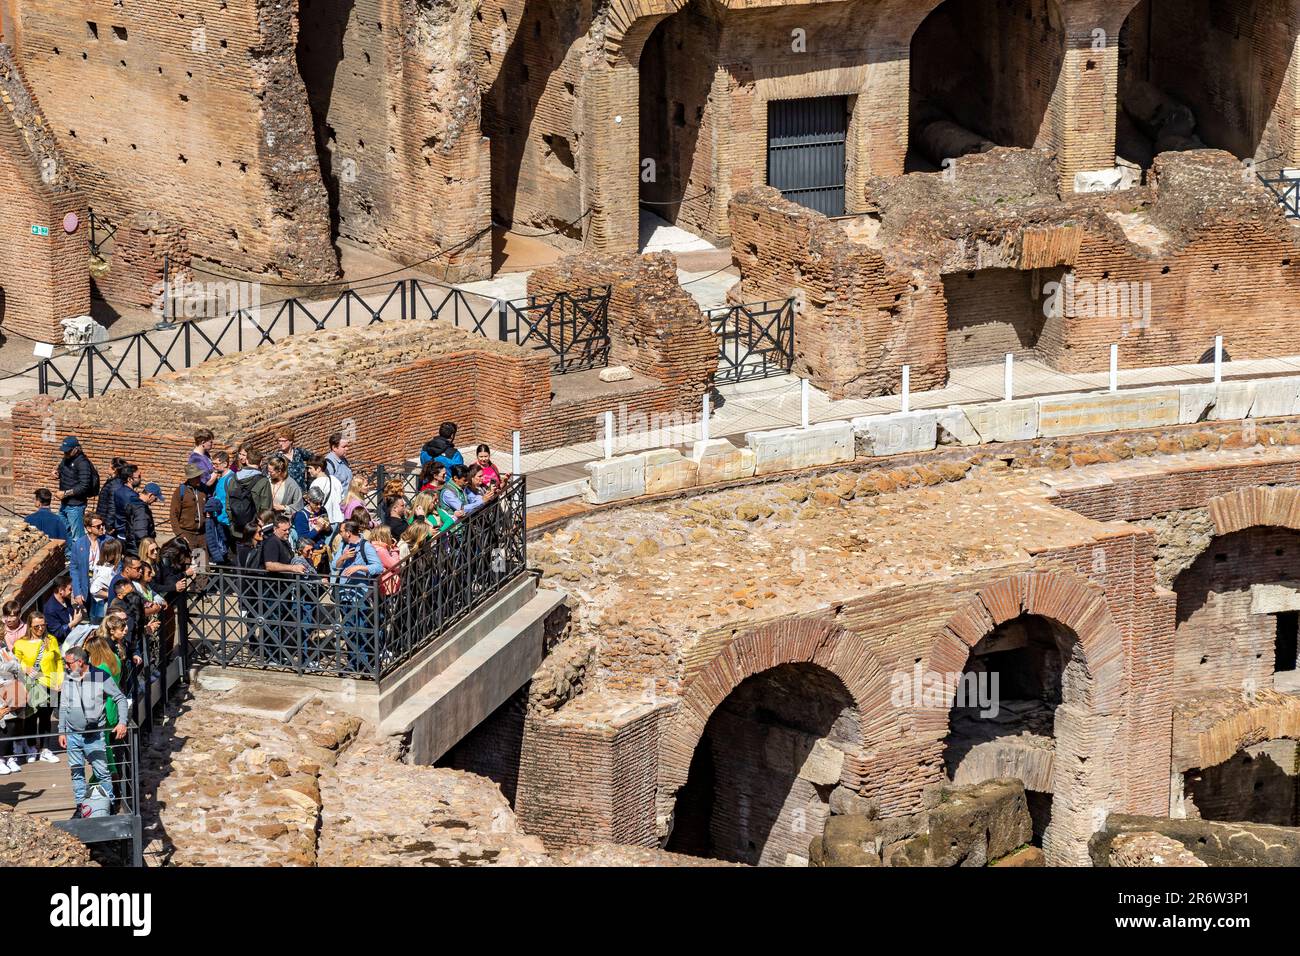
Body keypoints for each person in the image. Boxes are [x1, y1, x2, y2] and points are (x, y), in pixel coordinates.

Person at [59, 646, 129, 818]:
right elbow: (63, 705)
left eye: (68, 663)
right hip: (72, 734)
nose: (66, 667)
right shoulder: (69, 676)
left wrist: (122, 722)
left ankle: (110, 806)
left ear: (80, 662)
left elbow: (120, 698)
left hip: (94, 735)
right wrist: (61, 731)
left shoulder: (100, 676)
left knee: (102, 772)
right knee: (76, 773)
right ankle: (80, 807)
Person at [331, 520, 382, 673]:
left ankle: (366, 663)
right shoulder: (343, 545)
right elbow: (334, 566)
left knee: (362, 628)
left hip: (360, 594)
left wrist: (359, 567)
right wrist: (343, 557)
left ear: (348, 532)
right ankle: (353, 663)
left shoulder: (365, 546)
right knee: (348, 630)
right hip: (344, 593)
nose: (339, 533)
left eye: (341, 531)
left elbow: (378, 566)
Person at [13, 610, 62, 763]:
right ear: (29, 626)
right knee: (31, 717)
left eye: (43, 625)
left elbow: (58, 661)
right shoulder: (20, 643)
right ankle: (31, 747)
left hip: (50, 682)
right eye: (36, 627)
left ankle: (46, 749)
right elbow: (12, 664)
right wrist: (24, 667)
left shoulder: (51, 640)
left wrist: (59, 679)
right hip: (31, 684)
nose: (40, 629)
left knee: (46, 717)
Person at [54, 436, 99, 542]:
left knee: (77, 537)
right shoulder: (66, 458)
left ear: (76, 449)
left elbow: (84, 486)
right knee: (64, 532)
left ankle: (79, 558)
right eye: (64, 452)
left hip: (76, 506)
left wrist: (65, 493)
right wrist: (57, 473)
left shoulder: (83, 463)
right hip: (65, 504)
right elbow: (63, 470)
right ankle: (69, 556)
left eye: (68, 451)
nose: (65, 454)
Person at [68, 512, 106, 615]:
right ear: (89, 529)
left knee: (100, 616)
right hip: (87, 587)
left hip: (103, 588)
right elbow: (74, 569)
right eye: (98, 526)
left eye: (103, 525)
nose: (102, 528)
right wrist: (77, 592)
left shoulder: (108, 542)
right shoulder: (79, 544)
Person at [170, 462, 209, 552]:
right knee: (190, 564)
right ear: (190, 478)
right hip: (187, 535)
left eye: (199, 476)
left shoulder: (203, 489)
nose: (199, 479)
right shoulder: (180, 491)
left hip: (202, 535)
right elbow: (173, 515)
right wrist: (180, 535)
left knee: (202, 565)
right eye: (196, 477)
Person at [89, 538, 123, 624]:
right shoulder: (107, 571)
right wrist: (110, 594)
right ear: (112, 555)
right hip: (101, 605)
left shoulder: (98, 564)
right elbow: (94, 590)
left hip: (96, 603)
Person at [124, 482, 163, 556]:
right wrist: (149, 549)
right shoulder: (141, 509)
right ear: (150, 495)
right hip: (139, 551)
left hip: (131, 547)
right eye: (155, 498)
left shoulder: (133, 502)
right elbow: (141, 534)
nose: (155, 501)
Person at [43, 573, 84, 643]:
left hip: (74, 635)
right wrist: (74, 622)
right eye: (70, 589)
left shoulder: (66, 599)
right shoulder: (50, 610)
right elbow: (57, 633)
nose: (72, 591)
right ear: (61, 591)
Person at [94, 457, 128, 538]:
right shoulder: (113, 481)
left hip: (107, 524)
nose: (108, 468)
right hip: (103, 520)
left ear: (114, 469)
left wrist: (108, 526)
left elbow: (113, 507)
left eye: (109, 466)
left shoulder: (115, 484)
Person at [306, 455, 345, 525]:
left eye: (310, 468)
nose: (308, 471)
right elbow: (342, 499)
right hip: (340, 519)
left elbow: (313, 503)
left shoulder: (316, 483)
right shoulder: (335, 480)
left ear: (318, 469)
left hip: (326, 520)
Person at [368, 526, 402, 596]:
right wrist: (394, 549)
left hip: (380, 582)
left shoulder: (373, 546)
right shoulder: (381, 550)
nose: (391, 537)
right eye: (389, 535)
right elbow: (396, 565)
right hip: (386, 584)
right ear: (384, 536)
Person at [111, 464, 141, 541]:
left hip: (119, 529)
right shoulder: (132, 496)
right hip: (127, 533)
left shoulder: (118, 491)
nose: (140, 479)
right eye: (138, 477)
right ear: (130, 479)